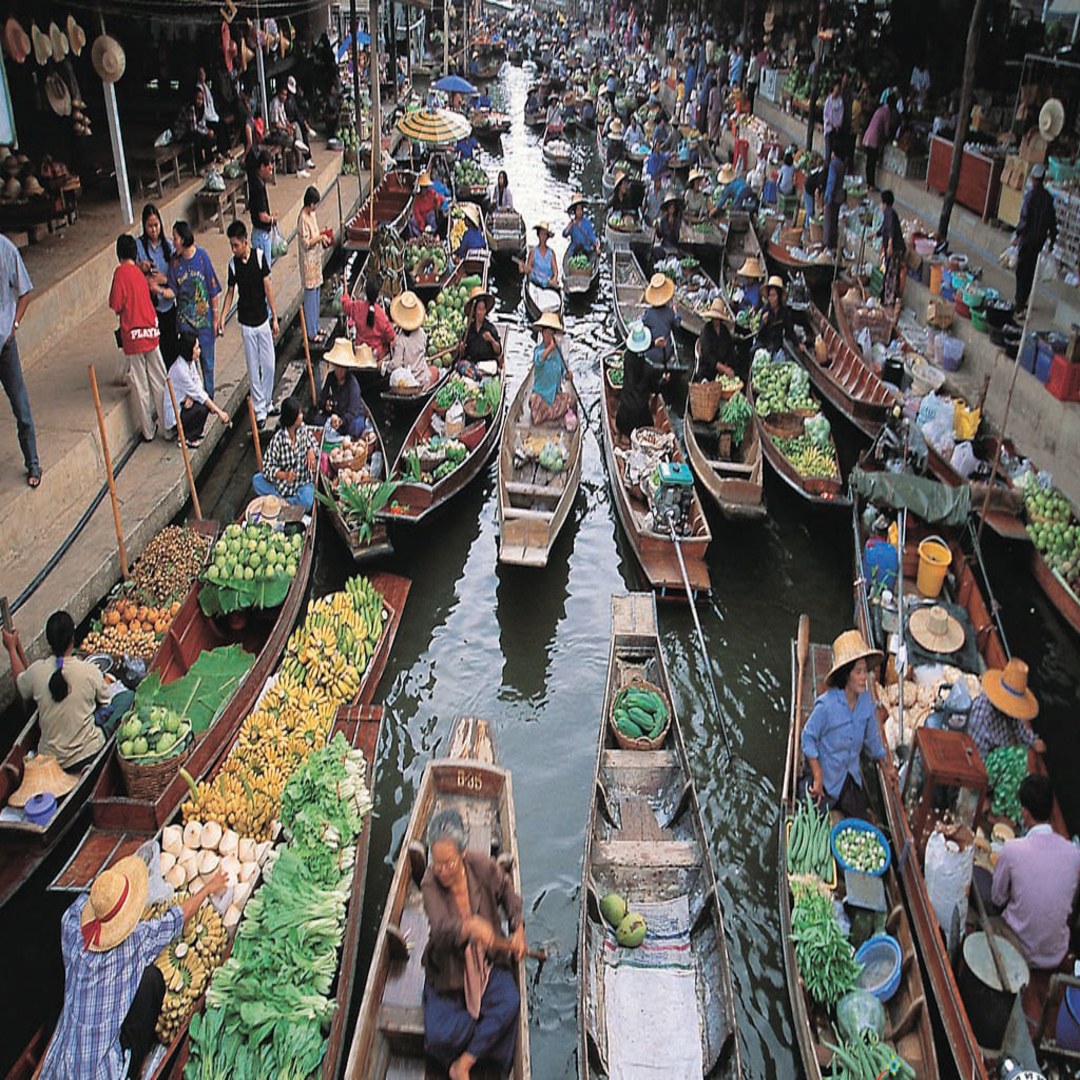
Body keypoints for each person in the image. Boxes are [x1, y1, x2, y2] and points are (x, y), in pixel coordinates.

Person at [40, 852, 227, 1080]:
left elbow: (83, 903)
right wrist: (208, 889)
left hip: (62, 1067)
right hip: (105, 1073)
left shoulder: (70, 925)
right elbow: (176, 917)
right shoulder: (134, 942)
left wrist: (105, 898)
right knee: (152, 980)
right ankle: (135, 1070)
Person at [421, 808, 524, 1079]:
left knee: (510, 1002)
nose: (442, 870)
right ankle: (485, 1037)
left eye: (449, 862)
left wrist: (518, 929)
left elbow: (509, 895)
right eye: (436, 862)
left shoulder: (481, 866)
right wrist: (469, 926)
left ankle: (464, 1063)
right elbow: (442, 929)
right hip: (450, 970)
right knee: (437, 1036)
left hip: (486, 965)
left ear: (462, 854)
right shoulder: (429, 883)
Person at [4, 610, 132, 771]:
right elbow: (106, 703)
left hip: (52, 760)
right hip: (89, 752)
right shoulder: (89, 671)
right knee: (127, 697)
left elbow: (20, 682)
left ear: (50, 642)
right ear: (73, 639)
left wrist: (11, 650)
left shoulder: (37, 671)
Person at [802, 629, 895, 818]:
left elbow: (872, 742)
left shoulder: (866, 703)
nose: (864, 678)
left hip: (847, 778)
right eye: (858, 672)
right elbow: (808, 738)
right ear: (847, 676)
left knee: (859, 820)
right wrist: (818, 777)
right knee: (810, 818)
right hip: (825, 776)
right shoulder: (827, 705)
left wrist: (887, 767)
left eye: (864, 672)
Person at [991, 774, 1080, 971]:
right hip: (1055, 954)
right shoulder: (1074, 853)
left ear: (1025, 813)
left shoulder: (1012, 850)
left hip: (1017, 948)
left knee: (986, 913)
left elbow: (997, 898)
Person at [109, 234, 168, 442]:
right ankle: (168, 426)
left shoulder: (120, 274)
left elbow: (116, 305)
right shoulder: (140, 275)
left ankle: (148, 431)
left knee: (141, 386)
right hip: (151, 331)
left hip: (133, 336)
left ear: (118, 254)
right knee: (159, 381)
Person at [221, 221, 280, 430]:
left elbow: (267, 287)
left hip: (262, 319)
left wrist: (274, 316)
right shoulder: (233, 265)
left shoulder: (259, 257)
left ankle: (267, 400)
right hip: (246, 323)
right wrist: (222, 317)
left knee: (269, 364)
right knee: (254, 368)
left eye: (236, 245)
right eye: (232, 246)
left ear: (245, 242)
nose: (234, 249)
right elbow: (230, 292)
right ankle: (260, 410)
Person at [163, 221, 221, 397]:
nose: (173, 242)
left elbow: (213, 290)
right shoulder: (174, 263)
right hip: (186, 327)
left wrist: (216, 317)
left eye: (176, 238)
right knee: (190, 369)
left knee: (208, 365)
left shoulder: (202, 257)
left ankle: (209, 397)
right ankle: (196, 399)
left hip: (205, 324)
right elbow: (173, 290)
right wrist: (156, 288)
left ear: (184, 238)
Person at [0, 232, 39, 488]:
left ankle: (33, 463)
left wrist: (13, 324)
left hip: (5, 344)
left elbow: (25, 291)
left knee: (21, 407)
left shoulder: (6, 250)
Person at [968, 657, 1046, 762]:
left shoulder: (1013, 714)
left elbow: (1020, 729)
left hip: (1003, 751)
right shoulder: (983, 716)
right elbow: (978, 754)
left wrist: (1033, 741)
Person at [163, 333, 230, 448]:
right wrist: (219, 412)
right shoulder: (180, 370)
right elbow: (198, 393)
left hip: (185, 403)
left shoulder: (190, 363)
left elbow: (197, 383)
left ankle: (192, 433)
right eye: (196, 348)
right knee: (203, 408)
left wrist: (191, 397)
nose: (199, 351)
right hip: (176, 412)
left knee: (202, 402)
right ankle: (187, 437)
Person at [252, 396, 318, 510]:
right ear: (293, 419)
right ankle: (285, 502)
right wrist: (284, 475)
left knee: (307, 500)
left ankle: (282, 502)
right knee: (257, 480)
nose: (302, 416)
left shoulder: (302, 429)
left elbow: (314, 444)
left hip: (302, 483)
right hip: (282, 486)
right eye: (300, 414)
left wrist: (310, 450)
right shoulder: (278, 440)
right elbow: (267, 467)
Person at [137, 204, 178, 365]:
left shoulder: (169, 245)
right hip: (150, 307)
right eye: (150, 226)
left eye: (156, 225)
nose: (153, 230)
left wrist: (164, 280)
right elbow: (132, 273)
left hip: (168, 304)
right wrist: (142, 269)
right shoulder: (139, 246)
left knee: (172, 347)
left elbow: (177, 277)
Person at [1014, 163, 1057, 314]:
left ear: (1034, 179)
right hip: (1039, 242)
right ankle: (1023, 301)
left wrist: (1017, 235)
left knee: (1021, 271)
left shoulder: (1030, 197)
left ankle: (1019, 304)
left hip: (1027, 241)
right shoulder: (1048, 199)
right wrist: (1052, 240)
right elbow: (1052, 221)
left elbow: (1024, 219)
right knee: (1031, 271)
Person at [615, 320, 662, 435]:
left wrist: (653, 344)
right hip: (640, 421)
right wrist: (664, 381)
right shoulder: (649, 369)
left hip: (623, 417)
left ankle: (619, 437)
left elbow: (637, 351)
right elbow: (656, 389)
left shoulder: (627, 357)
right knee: (648, 422)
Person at [298, 186, 332, 344]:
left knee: (317, 294)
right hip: (308, 262)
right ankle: (311, 332)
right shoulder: (303, 218)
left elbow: (316, 233)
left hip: (316, 260)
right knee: (310, 297)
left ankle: (316, 325)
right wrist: (319, 239)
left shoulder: (312, 215)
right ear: (310, 203)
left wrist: (323, 235)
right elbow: (306, 243)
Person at [318, 339, 370, 438]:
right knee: (317, 419)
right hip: (335, 415)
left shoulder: (352, 383)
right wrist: (326, 404)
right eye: (337, 367)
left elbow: (353, 411)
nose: (339, 371)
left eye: (342, 368)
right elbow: (322, 398)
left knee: (355, 426)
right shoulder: (331, 377)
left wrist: (341, 421)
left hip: (350, 418)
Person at [529, 311, 573, 424]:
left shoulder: (558, 354)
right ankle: (548, 413)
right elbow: (539, 361)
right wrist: (550, 348)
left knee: (569, 399)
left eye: (551, 333)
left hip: (554, 396)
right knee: (535, 401)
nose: (548, 336)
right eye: (546, 333)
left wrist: (568, 376)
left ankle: (547, 413)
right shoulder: (538, 350)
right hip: (541, 396)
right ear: (542, 333)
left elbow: (563, 372)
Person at [386, 291, 436, 387]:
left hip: (410, 381)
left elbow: (396, 364)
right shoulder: (422, 334)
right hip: (423, 377)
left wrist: (385, 366)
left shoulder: (401, 340)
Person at [343, 279, 396, 362]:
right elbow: (391, 336)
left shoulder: (357, 307)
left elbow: (346, 306)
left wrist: (345, 292)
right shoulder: (381, 315)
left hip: (360, 352)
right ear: (377, 295)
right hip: (376, 355)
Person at [457, 287, 502, 380]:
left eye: (483, 309)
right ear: (475, 311)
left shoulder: (490, 328)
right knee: (459, 365)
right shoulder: (469, 330)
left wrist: (491, 340)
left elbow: (498, 351)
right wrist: (461, 349)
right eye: (479, 309)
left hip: (487, 365)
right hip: (473, 365)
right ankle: (476, 375)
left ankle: (478, 376)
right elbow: (464, 354)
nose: (481, 312)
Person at [641, 272, 679, 372]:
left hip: (651, 353)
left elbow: (644, 328)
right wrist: (676, 313)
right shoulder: (670, 313)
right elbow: (676, 326)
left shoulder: (648, 314)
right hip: (665, 354)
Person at [694, 298, 736, 381]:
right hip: (708, 370)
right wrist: (722, 368)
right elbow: (707, 356)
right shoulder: (706, 330)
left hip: (722, 370)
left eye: (718, 318)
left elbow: (730, 350)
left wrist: (726, 366)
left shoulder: (724, 330)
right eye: (714, 318)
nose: (716, 320)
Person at [247, 150, 276, 268]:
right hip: (261, 235)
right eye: (269, 169)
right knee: (264, 271)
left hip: (259, 233)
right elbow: (262, 217)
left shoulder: (256, 181)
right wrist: (272, 219)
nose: (271, 172)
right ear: (262, 167)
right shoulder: (258, 187)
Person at [269, 82, 310, 162]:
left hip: (283, 129)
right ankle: (299, 165)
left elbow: (284, 119)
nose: (284, 97)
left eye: (286, 95)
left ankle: (298, 142)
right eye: (283, 94)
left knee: (296, 125)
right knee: (292, 140)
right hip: (276, 134)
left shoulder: (281, 103)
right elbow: (275, 124)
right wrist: (286, 129)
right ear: (279, 93)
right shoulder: (275, 104)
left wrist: (289, 126)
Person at [878, 189, 906, 306]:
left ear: (884, 203)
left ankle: (889, 300)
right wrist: (875, 234)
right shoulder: (888, 214)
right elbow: (884, 228)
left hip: (895, 249)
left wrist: (889, 245)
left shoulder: (889, 213)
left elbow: (891, 230)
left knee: (892, 274)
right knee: (889, 272)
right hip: (893, 249)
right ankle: (886, 298)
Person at [180, 87, 217, 172]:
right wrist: (206, 132)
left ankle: (209, 162)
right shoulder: (191, 108)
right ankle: (199, 166)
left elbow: (202, 124)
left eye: (201, 99)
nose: (199, 101)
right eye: (198, 99)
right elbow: (193, 127)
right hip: (184, 132)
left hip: (195, 131)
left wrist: (208, 131)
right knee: (198, 139)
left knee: (207, 138)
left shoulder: (202, 108)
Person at [284, 75, 316, 171]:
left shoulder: (292, 99)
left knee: (303, 133)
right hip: (289, 123)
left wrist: (304, 124)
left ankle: (307, 158)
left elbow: (297, 112)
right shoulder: (284, 102)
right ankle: (301, 164)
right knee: (299, 138)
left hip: (295, 121)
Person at [862, 96, 893, 191]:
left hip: (868, 136)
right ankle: (871, 184)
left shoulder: (880, 109)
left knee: (869, 162)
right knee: (872, 162)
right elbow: (886, 130)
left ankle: (868, 183)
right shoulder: (887, 113)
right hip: (874, 139)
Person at [756, 275, 793, 354]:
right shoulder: (765, 310)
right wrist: (763, 323)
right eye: (770, 295)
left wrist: (797, 344)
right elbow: (759, 334)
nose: (771, 298)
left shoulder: (784, 311)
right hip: (764, 344)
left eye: (774, 295)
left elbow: (789, 330)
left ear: (778, 297)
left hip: (777, 344)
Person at [822, 146, 846, 252]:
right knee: (834, 221)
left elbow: (831, 182)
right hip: (839, 197)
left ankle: (827, 244)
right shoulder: (842, 165)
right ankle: (833, 243)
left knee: (828, 221)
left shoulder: (833, 164)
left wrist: (827, 197)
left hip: (832, 197)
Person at [410, 172, 445, 238]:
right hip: (421, 220)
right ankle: (418, 237)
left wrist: (437, 199)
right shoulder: (417, 199)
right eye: (422, 188)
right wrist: (422, 227)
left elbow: (441, 200)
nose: (424, 190)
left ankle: (433, 232)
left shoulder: (431, 193)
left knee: (430, 214)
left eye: (425, 187)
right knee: (412, 221)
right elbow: (417, 214)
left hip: (430, 219)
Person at [524, 222, 559, 289]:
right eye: (541, 234)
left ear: (547, 237)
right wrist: (524, 269)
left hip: (548, 284)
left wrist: (554, 280)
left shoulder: (551, 253)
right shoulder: (533, 252)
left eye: (545, 235)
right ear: (538, 235)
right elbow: (528, 269)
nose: (543, 237)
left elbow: (555, 272)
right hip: (535, 284)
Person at [823, 79, 844, 163]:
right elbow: (825, 114)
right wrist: (830, 123)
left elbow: (841, 114)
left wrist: (837, 125)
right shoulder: (829, 100)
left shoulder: (840, 101)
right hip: (829, 129)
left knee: (835, 151)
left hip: (836, 129)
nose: (837, 91)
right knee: (828, 151)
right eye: (836, 88)